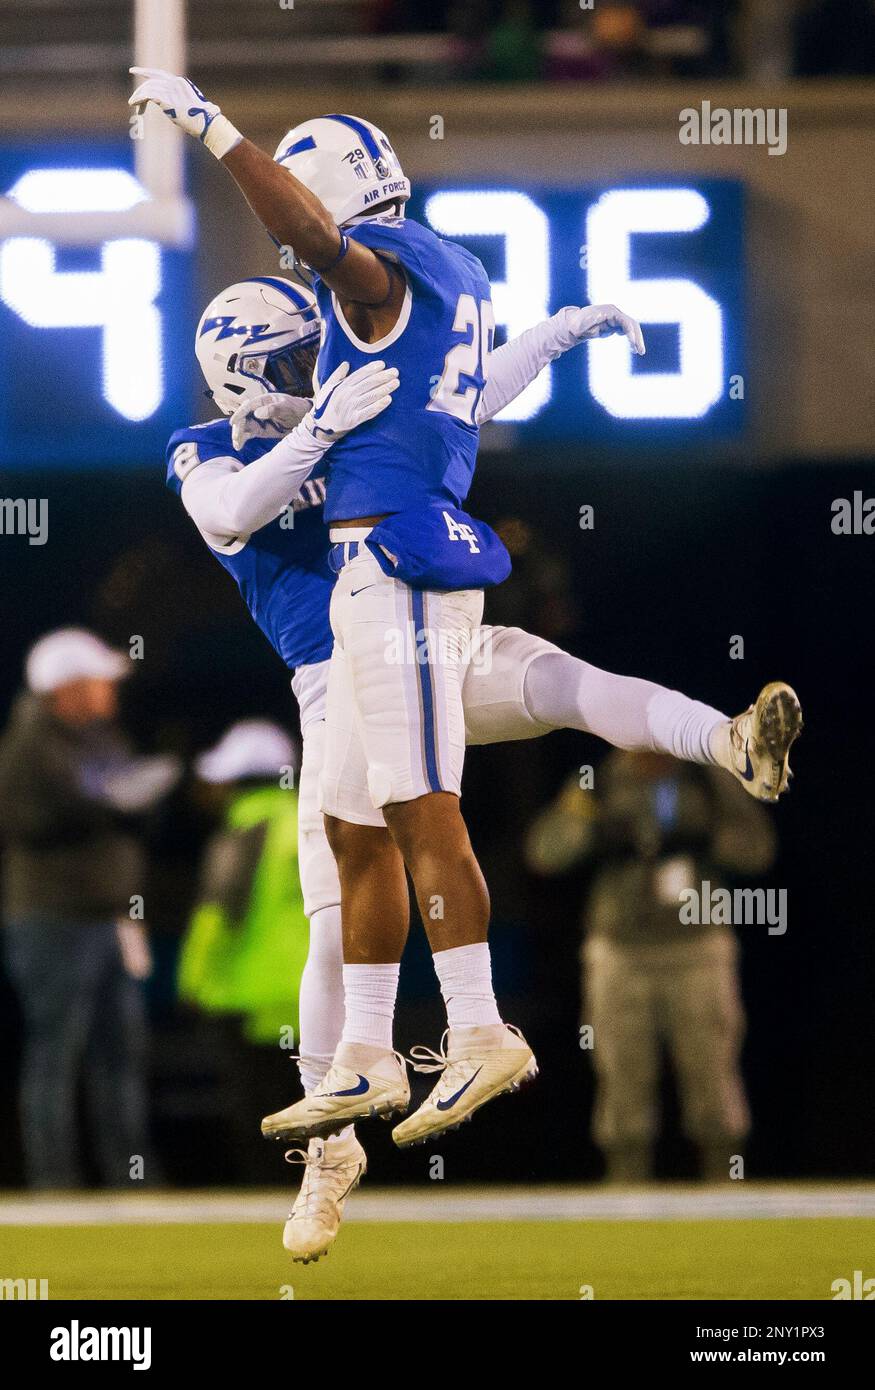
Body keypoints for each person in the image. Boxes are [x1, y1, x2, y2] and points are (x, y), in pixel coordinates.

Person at [165, 268, 799, 1260]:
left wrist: (549, 337)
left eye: (309, 351)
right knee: (332, 932)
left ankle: (727, 740)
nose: (311, 366)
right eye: (288, 360)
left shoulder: (345, 400)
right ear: (238, 374)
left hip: (419, 634)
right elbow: (235, 509)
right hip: (339, 676)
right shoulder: (205, 446)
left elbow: (451, 396)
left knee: (557, 679)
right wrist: (320, 425)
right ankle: (331, 1155)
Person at [527, 750, 776, 1182]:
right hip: (619, 949)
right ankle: (626, 1184)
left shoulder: (709, 776)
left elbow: (757, 850)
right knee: (621, 1075)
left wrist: (707, 835)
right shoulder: (596, 778)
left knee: (713, 1071)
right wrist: (590, 827)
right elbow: (546, 853)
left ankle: (726, 1179)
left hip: (698, 946)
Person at [0, 629, 178, 1187]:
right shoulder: (29, 745)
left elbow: (125, 820)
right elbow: (30, 823)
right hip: (54, 920)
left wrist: (138, 801)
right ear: (67, 688)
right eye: (98, 681)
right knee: (57, 1052)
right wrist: (108, 800)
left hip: (110, 920)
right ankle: (56, 1184)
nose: (109, 691)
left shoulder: (100, 741)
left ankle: (133, 1178)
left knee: (121, 1055)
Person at [178, 719, 312, 1183]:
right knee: (307, 1109)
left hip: (251, 993)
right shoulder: (313, 822)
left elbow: (219, 910)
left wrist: (192, 979)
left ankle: (271, 1203)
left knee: (258, 1113)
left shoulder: (247, 829)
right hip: (309, 993)